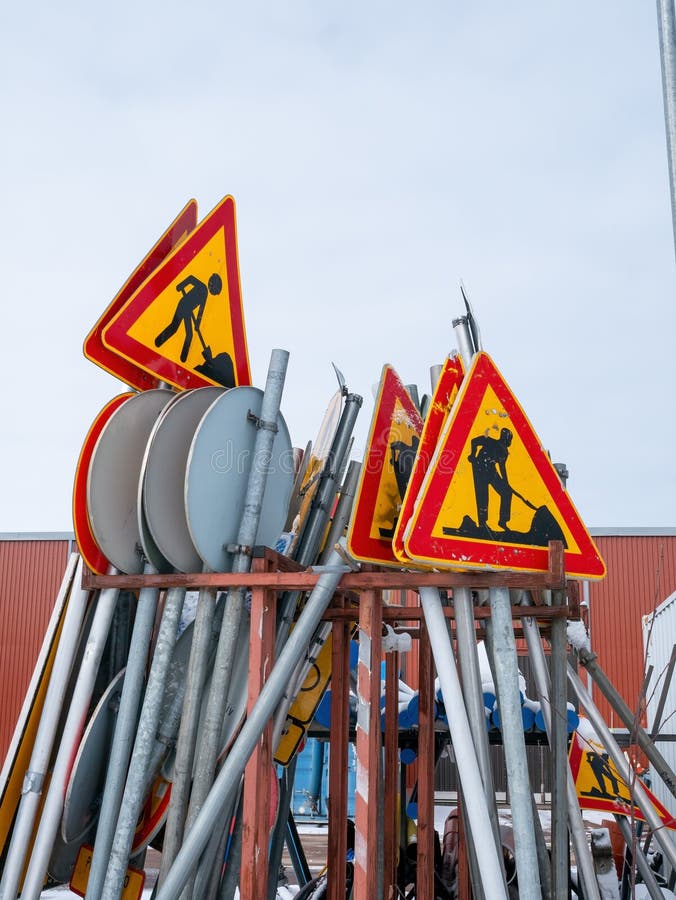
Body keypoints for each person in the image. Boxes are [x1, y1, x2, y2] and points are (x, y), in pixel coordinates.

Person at [155, 272, 222, 363]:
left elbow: (201, 310)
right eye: (215, 290)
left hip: (188, 311)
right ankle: (158, 342)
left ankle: (183, 359)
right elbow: (191, 279)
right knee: (174, 327)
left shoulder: (205, 294)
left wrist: (197, 324)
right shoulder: (202, 287)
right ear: (212, 286)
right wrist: (180, 286)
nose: (213, 293)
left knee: (189, 334)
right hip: (183, 305)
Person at [467, 428, 513, 529]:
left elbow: (502, 467)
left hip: (491, 472)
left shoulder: (504, 452)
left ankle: (502, 521)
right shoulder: (490, 441)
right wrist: (473, 455)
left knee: (507, 493)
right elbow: (474, 441)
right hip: (480, 470)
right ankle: (483, 523)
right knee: (483, 497)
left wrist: (506, 484)